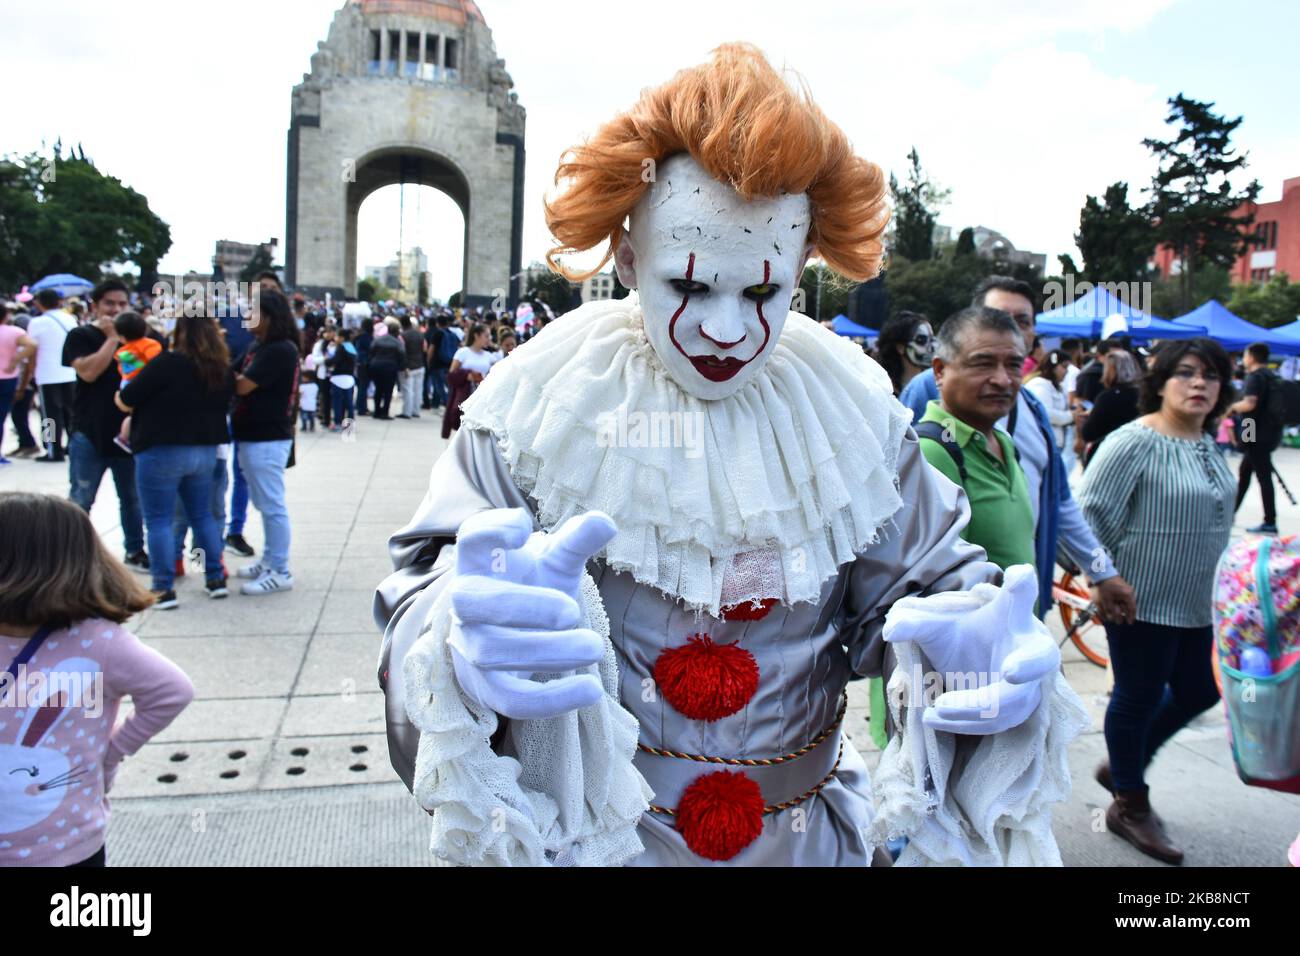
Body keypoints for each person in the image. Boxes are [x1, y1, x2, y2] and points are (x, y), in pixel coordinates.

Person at [377, 44, 1085, 868]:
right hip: (595, 845)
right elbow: (425, 593)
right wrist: (453, 641)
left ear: (800, 272)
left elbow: (926, 585)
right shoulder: (540, 405)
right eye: (688, 285)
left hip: (805, 842)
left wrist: (972, 650)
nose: (725, 329)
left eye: (760, 292)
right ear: (631, 260)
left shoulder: (850, 413)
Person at [1077, 338, 1235, 865]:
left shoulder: (1209, 444)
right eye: (1185, 373)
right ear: (1160, 381)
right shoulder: (1132, 441)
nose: (1199, 384)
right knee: (1138, 696)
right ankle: (1130, 802)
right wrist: (1102, 580)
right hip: (1139, 599)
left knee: (1199, 692)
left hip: (1198, 601)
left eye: (1210, 376)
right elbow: (1087, 516)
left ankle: (1127, 761)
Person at [899, 277, 1135, 624]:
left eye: (1021, 322)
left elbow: (1061, 503)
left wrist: (1102, 571)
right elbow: (920, 586)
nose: (1000, 377)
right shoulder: (930, 409)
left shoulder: (1031, 414)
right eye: (995, 316)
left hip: (1021, 632)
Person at [0, 492, 194, 867]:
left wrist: (114, 751)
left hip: (60, 848)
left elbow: (173, 691)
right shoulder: (98, 642)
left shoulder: (96, 642)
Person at [115, 314, 234, 608]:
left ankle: (163, 588)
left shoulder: (168, 363)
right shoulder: (220, 368)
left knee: (158, 521)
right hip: (204, 451)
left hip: (161, 449)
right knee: (203, 516)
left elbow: (127, 399)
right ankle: (215, 578)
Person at [915, 307, 1036, 572]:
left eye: (1014, 365)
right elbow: (936, 585)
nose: (1003, 380)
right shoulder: (932, 452)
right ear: (939, 371)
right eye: (983, 363)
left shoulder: (1004, 442)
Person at [60, 280, 149, 572]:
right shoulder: (81, 335)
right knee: (81, 499)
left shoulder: (143, 338)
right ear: (96, 305)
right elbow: (88, 373)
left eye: (122, 304)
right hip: (89, 433)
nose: (116, 309)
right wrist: (112, 338)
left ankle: (135, 550)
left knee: (132, 500)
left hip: (128, 435)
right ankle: (73, 557)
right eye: (110, 303)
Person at [230, 289, 299, 595]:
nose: (248, 315)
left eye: (254, 311)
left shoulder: (279, 350)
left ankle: (280, 570)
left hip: (268, 437)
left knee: (271, 505)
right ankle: (269, 560)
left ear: (270, 317)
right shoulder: (259, 346)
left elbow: (242, 385)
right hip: (253, 435)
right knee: (263, 502)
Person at [1229, 342, 1283, 534]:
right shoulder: (1271, 376)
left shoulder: (1254, 377)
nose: (1244, 358)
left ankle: (1270, 521)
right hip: (1268, 431)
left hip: (1253, 429)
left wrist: (1231, 408)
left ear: (1251, 356)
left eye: (1245, 354)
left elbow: (1250, 404)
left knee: (1262, 476)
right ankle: (1230, 514)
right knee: (1245, 473)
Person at [25, 289, 79, 463]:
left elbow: (32, 349)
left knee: (49, 416)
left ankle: (53, 450)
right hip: (70, 373)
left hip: (47, 374)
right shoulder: (70, 319)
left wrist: (30, 371)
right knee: (71, 413)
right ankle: (73, 446)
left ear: (39, 303)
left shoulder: (37, 322)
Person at [110, 310, 164, 453]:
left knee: (132, 414)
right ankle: (125, 438)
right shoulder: (151, 345)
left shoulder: (122, 351)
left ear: (121, 337)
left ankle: (123, 437)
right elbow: (155, 362)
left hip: (126, 383)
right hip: (144, 382)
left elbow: (122, 367)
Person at [1080, 350, 1141, 467]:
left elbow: (1088, 433)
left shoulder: (1107, 397)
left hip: (1108, 458)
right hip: (1137, 456)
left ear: (1111, 371)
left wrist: (1090, 416)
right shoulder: (1143, 395)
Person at [441, 322, 493, 439]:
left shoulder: (489, 356)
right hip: (464, 397)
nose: (488, 339)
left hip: (482, 399)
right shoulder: (463, 352)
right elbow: (451, 375)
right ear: (476, 335)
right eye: (486, 335)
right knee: (463, 432)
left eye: (489, 336)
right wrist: (466, 376)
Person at [0, 305, 37, 465]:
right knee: (50, 417)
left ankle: (49, 447)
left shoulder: (23, 336)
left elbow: (30, 365)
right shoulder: (19, 335)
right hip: (34, 380)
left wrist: (22, 386)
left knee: (48, 417)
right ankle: (40, 445)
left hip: (31, 381)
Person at [1023, 349, 1074, 457]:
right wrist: (1071, 416)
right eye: (1064, 367)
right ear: (1053, 366)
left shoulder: (1056, 386)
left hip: (1052, 443)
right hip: (1043, 444)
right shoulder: (1040, 384)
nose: (1067, 372)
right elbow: (1046, 414)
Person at [875, 311, 933, 397]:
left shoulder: (937, 386)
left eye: (932, 340)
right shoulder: (882, 387)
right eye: (921, 340)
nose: (931, 347)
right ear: (900, 347)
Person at [367, 320, 404, 420]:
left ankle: (377, 411)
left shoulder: (378, 340)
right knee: (388, 391)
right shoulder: (397, 342)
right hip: (390, 368)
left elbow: (371, 353)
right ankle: (384, 412)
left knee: (378, 389)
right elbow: (402, 356)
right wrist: (401, 367)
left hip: (376, 366)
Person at [325, 327, 357, 431]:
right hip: (349, 378)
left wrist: (327, 361)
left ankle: (338, 423)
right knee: (349, 402)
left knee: (337, 401)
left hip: (338, 378)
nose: (336, 338)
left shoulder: (341, 347)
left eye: (337, 336)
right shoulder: (351, 347)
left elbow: (335, 360)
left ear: (342, 338)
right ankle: (350, 423)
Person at [397, 316, 426, 419]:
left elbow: (401, 352)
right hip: (420, 365)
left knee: (407, 390)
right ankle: (416, 411)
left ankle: (407, 412)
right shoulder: (420, 334)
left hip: (408, 367)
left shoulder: (402, 336)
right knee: (418, 390)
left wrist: (404, 365)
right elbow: (424, 348)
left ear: (401, 324)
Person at [299, 367, 319, 432]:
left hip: (304, 405)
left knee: (303, 417)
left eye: (303, 377)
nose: (302, 378)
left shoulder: (302, 386)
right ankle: (312, 427)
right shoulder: (315, 386)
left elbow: (300, 393)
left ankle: (304, 427)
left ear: (307, 378)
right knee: (312, 418)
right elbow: (316, 394)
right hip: (312, 405)